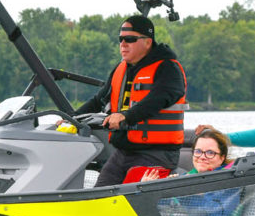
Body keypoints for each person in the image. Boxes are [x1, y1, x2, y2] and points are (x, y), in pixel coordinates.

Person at [75, 15, 188, 186]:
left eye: (130, 39)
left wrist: (125, 116)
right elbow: (98, 100)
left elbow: (159, 98)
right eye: (121, 39)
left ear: (148, 42)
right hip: (124, 152)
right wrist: (71, 117)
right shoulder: (121, 68)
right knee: (97, 196)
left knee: (127, 196)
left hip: (157, 154)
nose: (123, 44)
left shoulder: (168, 68)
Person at [164, 127, 241, 216]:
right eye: (198, 151)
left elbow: (213, 213)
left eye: (210, 153)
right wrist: (152, 192)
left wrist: (182, 193)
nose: (202, 157)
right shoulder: (184, 178)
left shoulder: (230, 184)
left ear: (221, 158)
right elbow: (161, 209)